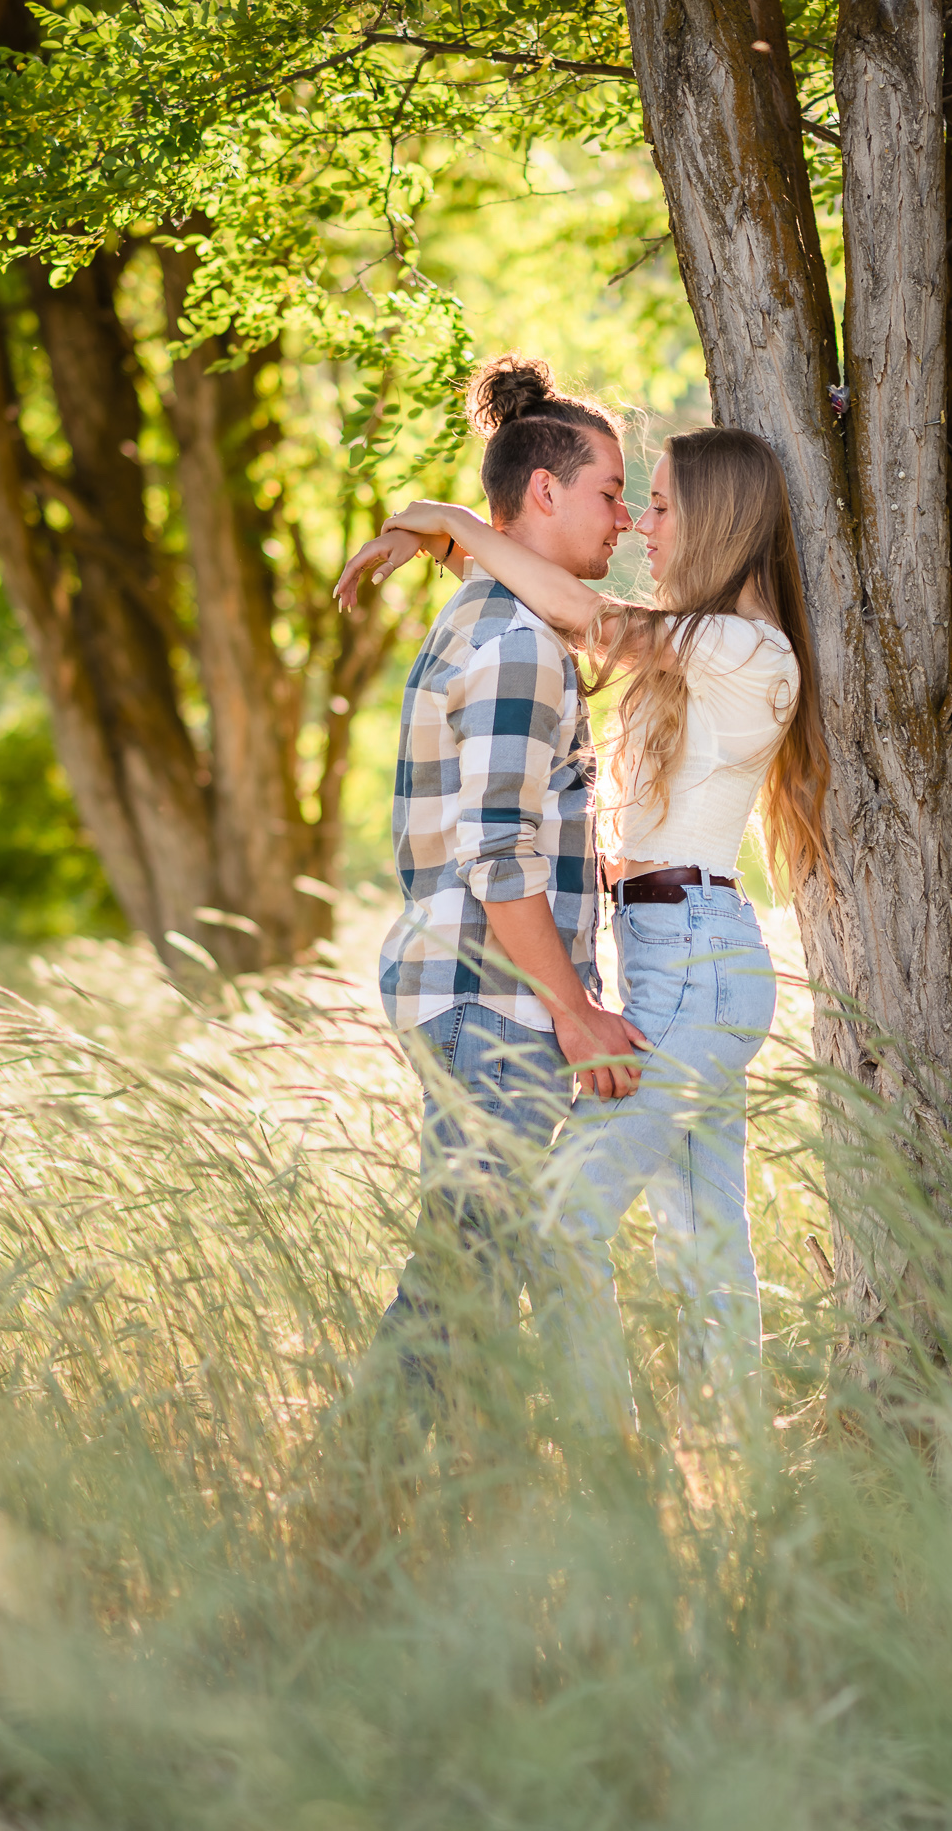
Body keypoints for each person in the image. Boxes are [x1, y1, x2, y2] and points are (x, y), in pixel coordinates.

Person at [345, 424, 829, 1429]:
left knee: (562, 1217)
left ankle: (610, 1458)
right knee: (705, 1238)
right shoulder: (699, 644)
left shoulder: (744, 647)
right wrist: (451, 545)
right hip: (670, 951)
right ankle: (727, 1466)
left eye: (659, 505)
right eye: (629, 499)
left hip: (693, 955)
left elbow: (580, 615)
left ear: (717, 522)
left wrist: (452, 522)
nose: (640, 524)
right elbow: (550, 612)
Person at [334, 356, 650, 1415]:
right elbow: (500, 853)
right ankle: (355, 1485)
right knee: (461, 1283)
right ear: (544, 490)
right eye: (610, 492)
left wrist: (445, 527)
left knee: (473, 1275)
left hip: (481, 996)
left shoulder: (495, 619)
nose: (623, 520)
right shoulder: (516, 644)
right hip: (494, 1000)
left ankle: (436, 1488)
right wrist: (576, 1009)